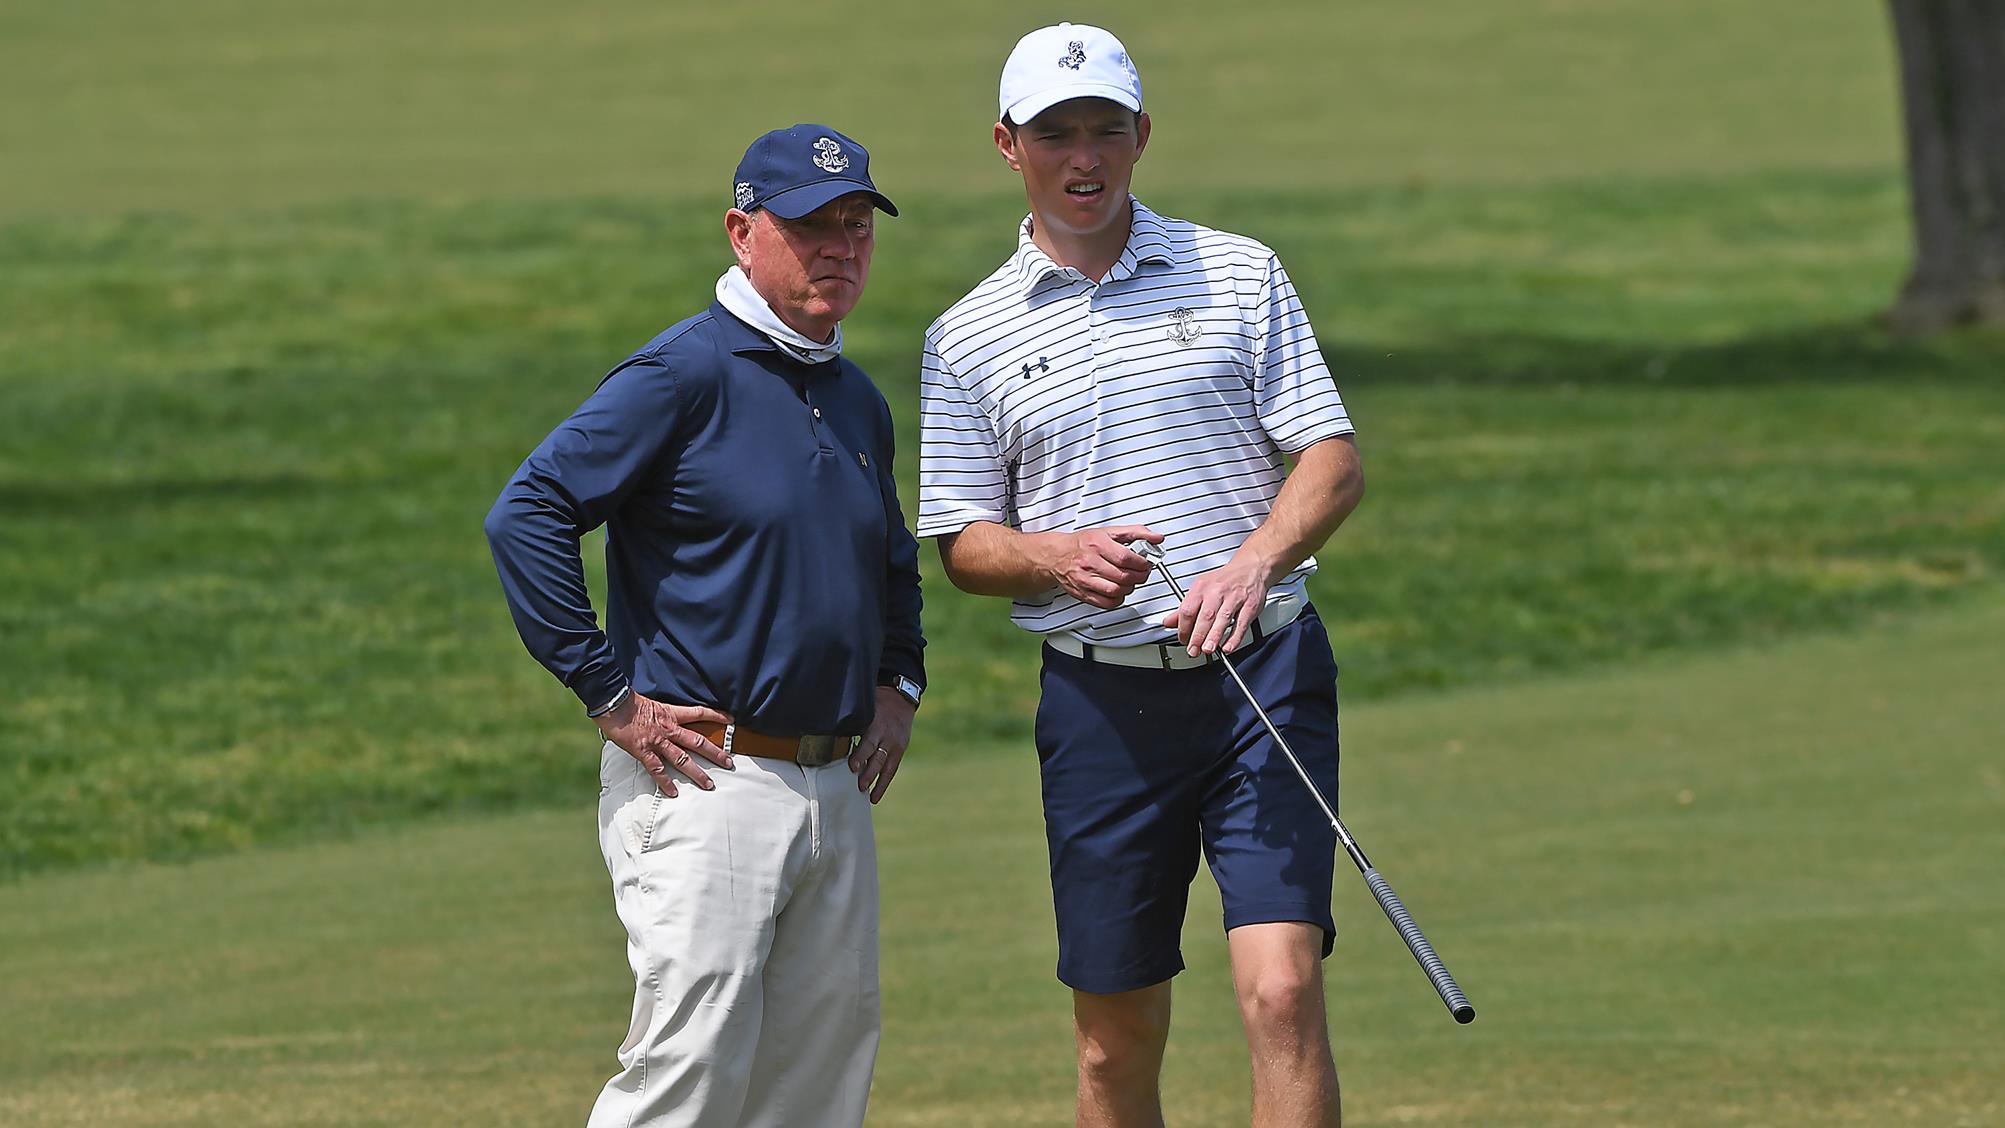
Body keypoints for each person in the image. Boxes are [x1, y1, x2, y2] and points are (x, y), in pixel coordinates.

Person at [917, 23, 1364, 1128]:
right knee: (1116, 1045)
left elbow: (1331, 463)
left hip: (1261, 682)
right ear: (1005, 145)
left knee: (1283, 988)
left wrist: (1253, 563)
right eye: (1055, 134)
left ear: (1141, 136)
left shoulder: (1239, 271)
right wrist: (1053, 554)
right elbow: (964, 547)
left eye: (1105, 132)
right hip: (1100, 704)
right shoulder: (966, 337)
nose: (1084, 159)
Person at [484, 123, 925, 1128]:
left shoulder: (854, 397)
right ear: (742, 231)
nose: (840, 249)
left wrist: (899, 683)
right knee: (688, 1071)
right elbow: (529, 512)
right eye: (812, 227)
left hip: (833, 784)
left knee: (819, 1079)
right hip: (704, 777)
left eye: (857, 227)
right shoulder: (682, 372)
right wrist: (607, 694)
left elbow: (889, 556)